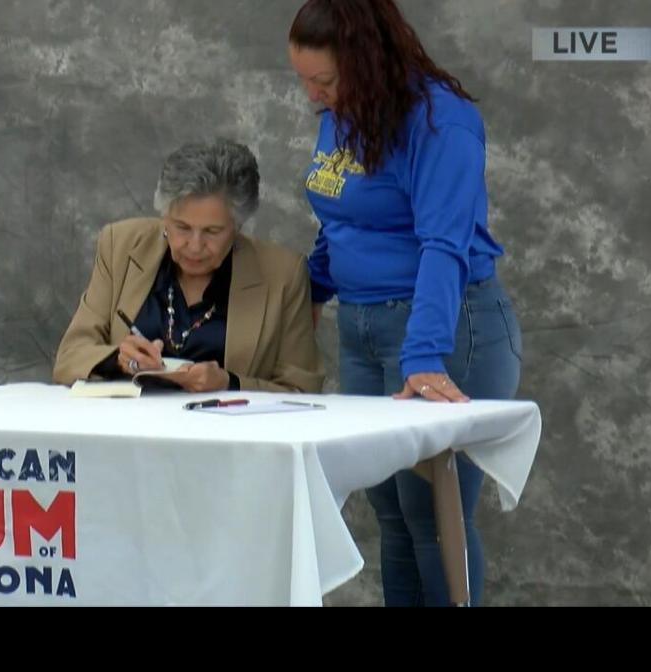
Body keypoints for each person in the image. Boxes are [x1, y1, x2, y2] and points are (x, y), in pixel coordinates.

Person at [288, 0, 523, 606]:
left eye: (326, 81)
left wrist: (423, 355)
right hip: (363, 329)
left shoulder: (441, 122)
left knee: (432, 512)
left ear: (368, 62)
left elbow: (444, 243)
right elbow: (340, 216)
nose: (316, 95)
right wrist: (312, 291)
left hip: (441, 326)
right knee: (389, 511)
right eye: (305, 80)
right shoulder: (344, 114)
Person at [54, 139, 323, 393]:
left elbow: (301, 389)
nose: (194, 246)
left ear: (238, 226)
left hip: (227, 435)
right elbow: (70, 356)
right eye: (181, 227)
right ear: (164, 216)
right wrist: (117, 359)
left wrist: (231, 384)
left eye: (212, 231)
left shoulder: (283, 273)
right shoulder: (121, 246)